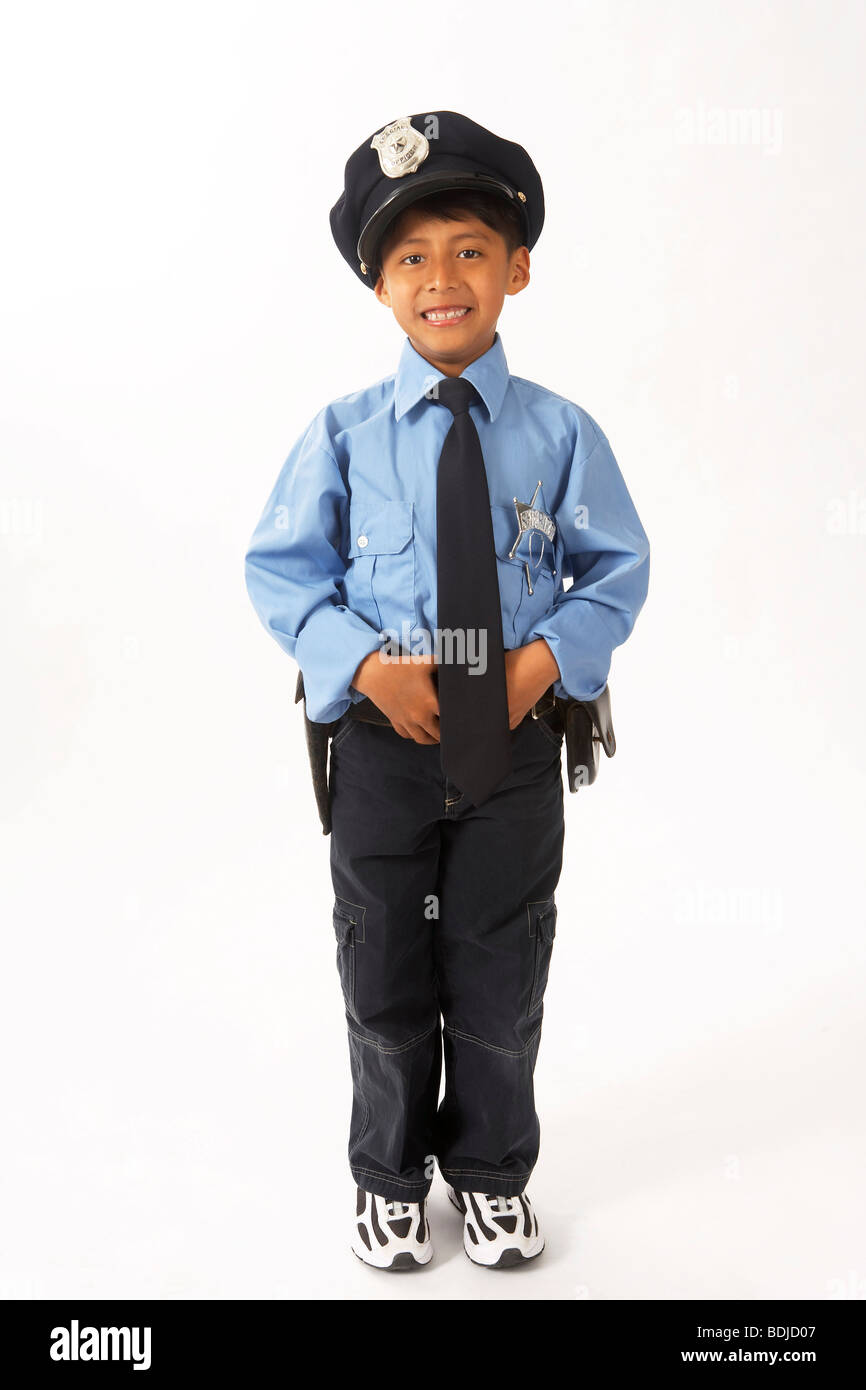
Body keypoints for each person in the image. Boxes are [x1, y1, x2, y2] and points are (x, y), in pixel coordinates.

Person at [244, 111, 650, 1270]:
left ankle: (488, 1172)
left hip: (513, 748)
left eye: (469, 248)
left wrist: (543, 661)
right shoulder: (342, 436)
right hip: (381, 748)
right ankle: (387, 1173)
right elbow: (279, 571)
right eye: (411, 257)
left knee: (498, 958)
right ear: (377, 285)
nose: (442, 278)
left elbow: (614, 567)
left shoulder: (559, 435)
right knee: (381, 965)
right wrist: (362, 663)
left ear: (516, 268)